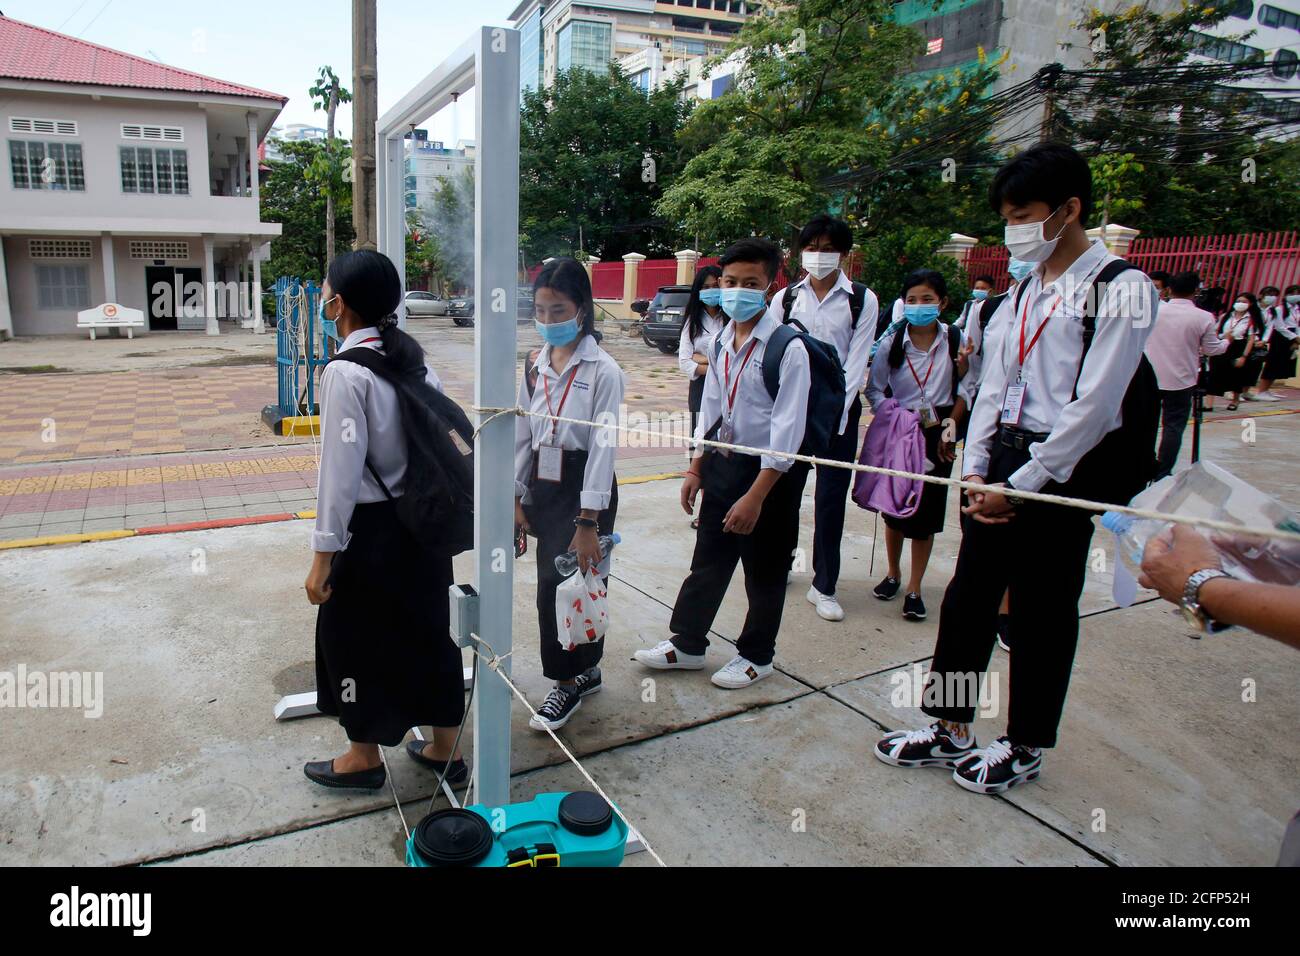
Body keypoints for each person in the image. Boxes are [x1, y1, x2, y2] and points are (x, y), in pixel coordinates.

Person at [874, 142, 1159, 794]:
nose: (1013, 228)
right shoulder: (1023, 291)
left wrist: (1021, 486)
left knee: (1041, 611)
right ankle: (949, 726)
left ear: (1069, 209)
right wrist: (975, 471)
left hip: (1063, 469)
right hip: (1000, 460)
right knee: (969, 600)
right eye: (1006, 214)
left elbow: (1095, 407)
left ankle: (1025, 741)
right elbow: (991, 384)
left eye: (1023, 212)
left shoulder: (1122, 289)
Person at [303, 250, 468, 791]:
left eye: (326, 288)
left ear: (340, 303)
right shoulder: (416, 362)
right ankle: (445, 747)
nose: (322, 295)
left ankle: (363, 756)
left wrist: (322, 556)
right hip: (421, 529)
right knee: (428, 634)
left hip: (370, 535)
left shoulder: (345, 372)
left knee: (351, 639)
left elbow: (339, 475)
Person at [633, 237, 812, 689]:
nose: (737, 291)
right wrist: (696, 466)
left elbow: (788, 435)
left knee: (764, 569)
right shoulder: (719, 343)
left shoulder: (788, 348)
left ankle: (757, 655)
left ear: (771, 286)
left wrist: (756, 496)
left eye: (750, 283)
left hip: (769, 475)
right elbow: (710, 411)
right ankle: (689, 644)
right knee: (708, 559)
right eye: (730, 281)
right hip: (722, 462)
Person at [514, 257, 625, 731]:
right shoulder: (534, 364)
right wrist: (516, 498)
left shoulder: (604, 371)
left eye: (558, 311)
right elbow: (523, 434)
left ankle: (566, 684)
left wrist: (588, 523)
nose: (548, 321)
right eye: (540, 310)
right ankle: (585, 671)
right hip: (545, 480)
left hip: (585, 489)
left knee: (570, 587)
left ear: (582, 309)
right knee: (559, 584)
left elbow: (603, 448)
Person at [769, 214, 878, 622]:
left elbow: (856, 360)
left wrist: (837, 413)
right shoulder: (786, 299)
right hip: (793, 411)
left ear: (844, 254)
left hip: (839, 414)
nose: (819, 255)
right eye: (812, 246)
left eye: (828, 248)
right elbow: (776, 355)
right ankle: (780, 566)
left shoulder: (861, 299)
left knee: (830, 500)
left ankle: (825, 585)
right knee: (785, 493)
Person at [865, 269, 965, 622]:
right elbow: (875, 388)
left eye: (927, 300)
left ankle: (915, 588)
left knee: (926, 512)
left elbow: (968, 386)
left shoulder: (954, 339)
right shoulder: (892, 342)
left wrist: (953, 424)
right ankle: (893, 573)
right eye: (912, 300)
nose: (919, 306)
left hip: (939, 430)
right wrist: (891, 417)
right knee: (894, 505)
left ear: (943, 303)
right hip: (900, 428)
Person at [1143, 270, 1227, 479]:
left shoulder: (1154, 311)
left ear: (1169, 289)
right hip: (1181, 380)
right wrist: (1227, 342)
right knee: (1173, 427)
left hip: (1150, 377)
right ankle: (1163, 472)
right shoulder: (1204, 317)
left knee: (1146, 425)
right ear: (1196, 291)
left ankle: (1142, 465)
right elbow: (1211, 349)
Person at [679, 264, 725, 530]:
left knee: (723, 447)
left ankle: (716, 503)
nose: (711, 291)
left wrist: (703, 359)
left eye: (715, 286)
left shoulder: (732, 318)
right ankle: (702, 509)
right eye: (705, 287)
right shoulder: (692, 321)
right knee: (700, 442)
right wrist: (716, 365)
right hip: (700, 389)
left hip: (729, 389)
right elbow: (685, 362)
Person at [1205, 292, 1261, 411]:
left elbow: (1251, 339)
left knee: (1236, 375)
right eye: (1238, 301)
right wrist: (1223, 336)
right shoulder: (1225, 316)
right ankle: (1209, 404)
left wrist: (1243, 356)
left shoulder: (1250, 320)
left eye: (1244, 302)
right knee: (1214, 373)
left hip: (1238, 347)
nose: (1240, 304)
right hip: (1223, 344)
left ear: (1250, 304)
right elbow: (1215, 332)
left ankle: (1235, 401)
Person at [1256, 284, 1298, 402]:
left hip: (1292, 338)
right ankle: (1261, 390)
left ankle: (1267, 390)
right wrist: (1294, 337)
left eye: (1297, 294)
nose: (1295, 296)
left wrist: (1296, 339)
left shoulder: (1297, 309)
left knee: (1281, 366)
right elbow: (1280, 327)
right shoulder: (1280, 309)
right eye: (1292, 293)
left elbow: (1297, 324)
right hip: (1281, 338)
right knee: (1273, 364)